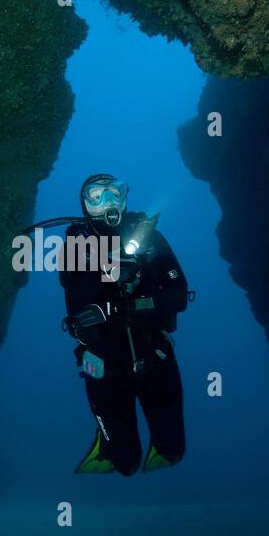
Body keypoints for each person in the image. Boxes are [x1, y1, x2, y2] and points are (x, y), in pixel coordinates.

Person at [61, 173, 189, 475]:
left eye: (114, 193)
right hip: (105, 366)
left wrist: (134, 302)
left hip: (155, 354)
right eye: (97, 196)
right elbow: (80, 304)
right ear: (84, 203)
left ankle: (157, 446)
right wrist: (113, 273)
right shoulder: (76, 245)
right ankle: (107, 447)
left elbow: (179, 294)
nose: (108, 202)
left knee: (172, 450)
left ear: (125, 197)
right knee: (125, 462)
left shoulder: (149, 237)